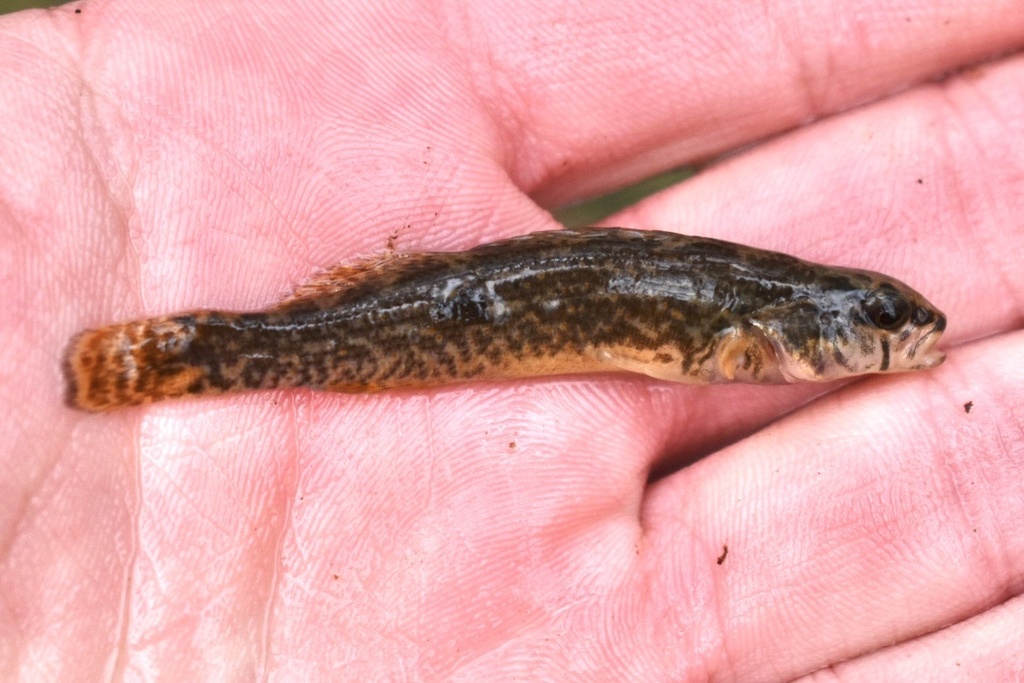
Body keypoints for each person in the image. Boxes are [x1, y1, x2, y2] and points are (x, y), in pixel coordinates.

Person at [1, 1, 1021, 679]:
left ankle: (190, 357)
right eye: (881, 326)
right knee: (308, 338)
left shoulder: (760, 312)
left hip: (461, 306)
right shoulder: (754, 324)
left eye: (887, 326)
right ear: (802, 329)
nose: (901, 337)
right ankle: (192, 358)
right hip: (435, 314)